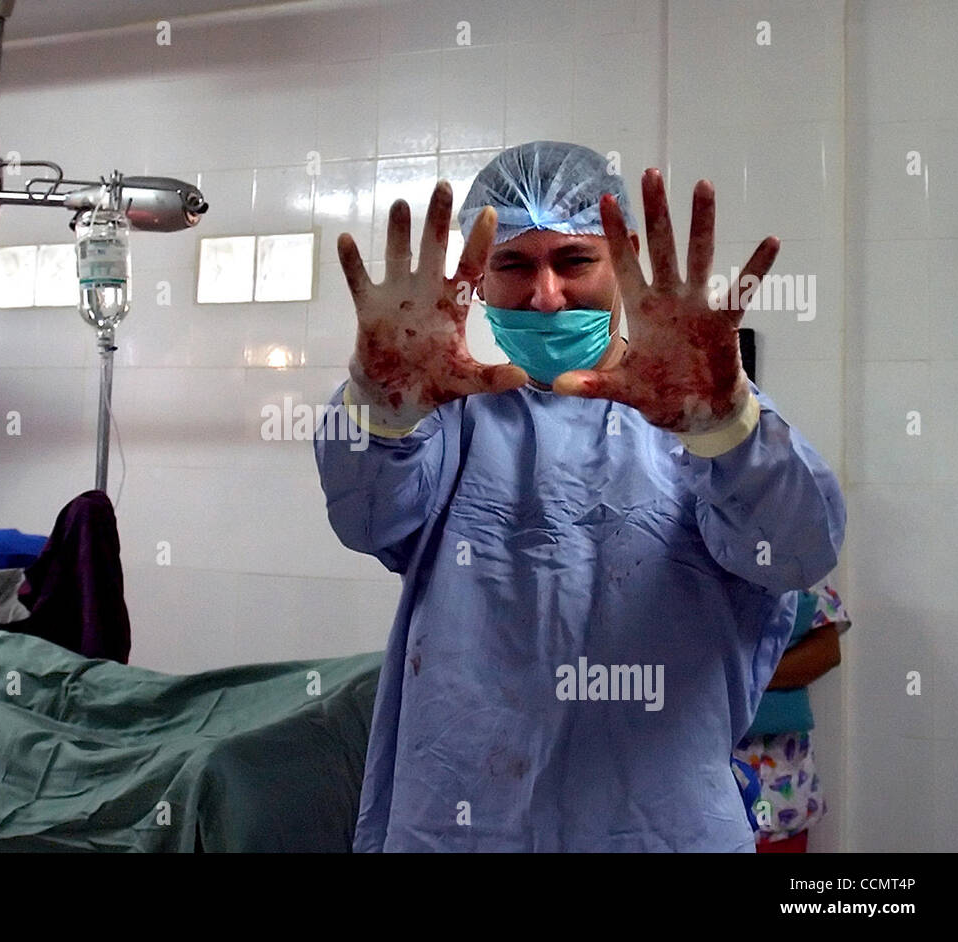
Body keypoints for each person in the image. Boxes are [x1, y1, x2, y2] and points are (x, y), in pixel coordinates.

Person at [313, 141, 845, 852]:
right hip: (461, 821)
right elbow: (365, 515)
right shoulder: (443, 424)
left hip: (655, 825)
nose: (546, 296)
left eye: (573, 261)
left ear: (620, 267)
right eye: (513, 264)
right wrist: (378, 410)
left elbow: (797, 551)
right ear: (479, 282)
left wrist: (727, 427)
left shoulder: (700, 422)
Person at [736, 580, 851, 852]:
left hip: (781, 790)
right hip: (695, 796)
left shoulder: (801, 559)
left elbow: (827, 651)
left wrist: (741, 680)